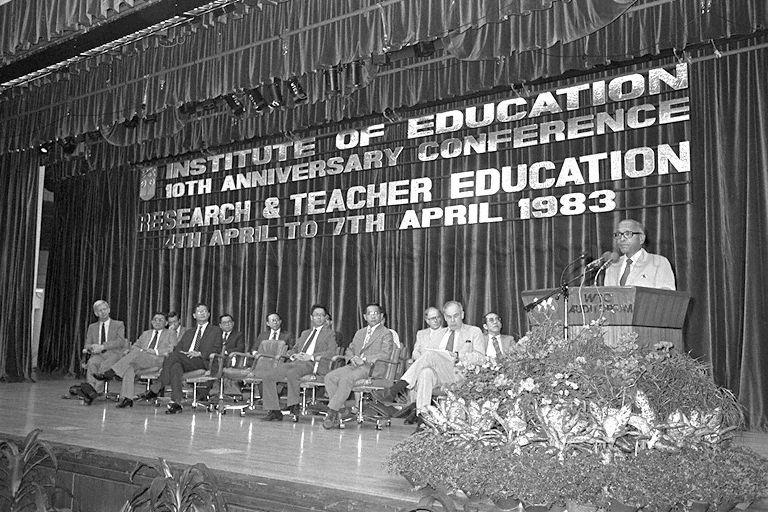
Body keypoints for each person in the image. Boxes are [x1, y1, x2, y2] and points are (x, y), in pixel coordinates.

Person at [373, 300, 486, 420]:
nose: (452, 320)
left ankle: (396, 388)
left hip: (460, 374)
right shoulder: (439, 334)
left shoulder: (474, 331)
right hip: (440, 375)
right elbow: (427, 358)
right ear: (445, 318)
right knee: (425, 372)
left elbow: (481, 358)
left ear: (462, 314)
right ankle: (423, 418)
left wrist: (459, 356)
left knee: (430, 355)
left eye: (456, 316)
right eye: (449, 316)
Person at [137, 303, 223, 414]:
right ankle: (176, 403)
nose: (202, 314)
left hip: (203, 361)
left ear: (209, 314)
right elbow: (178, 349)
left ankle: (156, 388)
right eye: (199, 312)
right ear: (194, 315)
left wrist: (200, 353)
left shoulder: (215, 330)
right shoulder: (189, 332)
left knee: (173, 357)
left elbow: (217, 348)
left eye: (204, 311)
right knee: (175, 367)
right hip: (185, 360)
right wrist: (184, 353)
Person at [322, 303, 394, 429]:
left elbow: (385, 354)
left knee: (346, 379)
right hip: (355, 365)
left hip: (372, 368)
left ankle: (332, 412)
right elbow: (350, 349)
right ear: (365, 317)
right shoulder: (360, 333)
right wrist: (351, 358)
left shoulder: (386, 333)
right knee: (329, 377)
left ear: (381, 315)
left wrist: (364, 359)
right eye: (370, 314)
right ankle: (342, 410)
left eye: (376, 313)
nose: (373, 316)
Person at [260, 304, 337, 421]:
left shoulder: (330, 334)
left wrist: (310, 357)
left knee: (292, 373)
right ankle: (274, 411)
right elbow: (294, 349)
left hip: (313, 364)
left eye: (322, 315)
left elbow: (331, 352)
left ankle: (294, 405)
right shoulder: (305, 333)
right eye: (316, 315)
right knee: (268, 375)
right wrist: (293, 355)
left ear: (325, 317)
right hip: (296, 361)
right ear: (311, 318)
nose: (319, 318)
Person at [95, 312, 176, 408]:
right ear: (151, 322)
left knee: (135, 354)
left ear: (166, 323)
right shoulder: (146, 333)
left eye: (160, 320)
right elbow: (135, 346)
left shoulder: (171, 333)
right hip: (140, 360)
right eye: (155, 320)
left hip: (158, 360)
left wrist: (155, 351)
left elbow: (172, 349)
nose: (157, 322)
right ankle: (127, 398)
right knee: (129, 368)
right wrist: (139, 351)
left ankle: (111, 372)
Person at [603, 218, 676, 290]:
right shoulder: (612, 265)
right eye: (618, 234)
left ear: (641, 238)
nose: (622, 239)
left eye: (627, 234)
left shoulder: (659, 262)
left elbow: (668, 296)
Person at [83, 300, 128, 394]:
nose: (103, 312)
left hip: (114, 354)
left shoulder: (119, 324)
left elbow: (120, 342)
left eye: (105, 309)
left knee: (104, 366)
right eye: (100, 310)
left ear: (109, 310)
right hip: (98, 354)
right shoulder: (92, 327)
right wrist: (92, 347)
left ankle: (95, 391)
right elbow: (87, 344)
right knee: (91, 363)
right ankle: (90, 389)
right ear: (96, 313)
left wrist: (103, 346)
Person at [211, 313, 245, 398]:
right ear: (220, 325)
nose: (227, 324)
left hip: (230, 360)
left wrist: (225, 352)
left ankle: (223, 390)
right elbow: (212, 347)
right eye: (224, 323)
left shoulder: (238, 335)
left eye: (229, 322)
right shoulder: (216, 335)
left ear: (233, 323)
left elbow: (240, 348)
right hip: (216, 359)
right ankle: (209, 391)